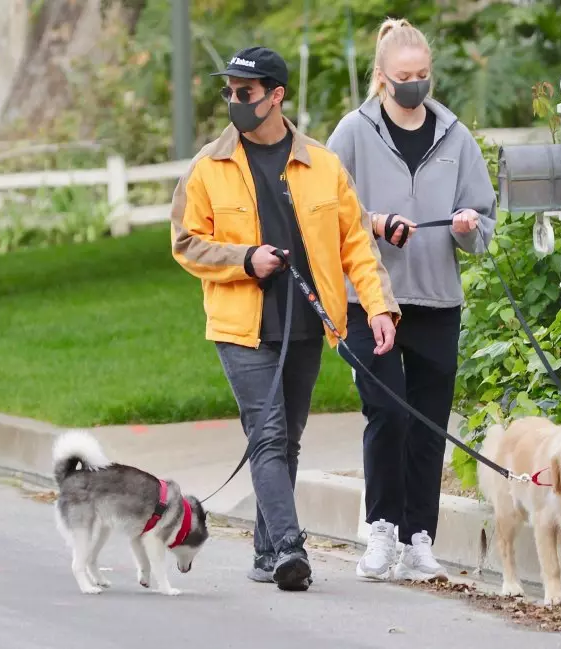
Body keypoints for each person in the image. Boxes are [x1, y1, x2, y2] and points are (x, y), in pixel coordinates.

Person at [170, 46, 400, 592]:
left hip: (305, 323)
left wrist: (379, 305)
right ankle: (291, 548)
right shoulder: (209, 167)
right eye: (228, 91)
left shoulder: (322, 165)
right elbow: (185, 243)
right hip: (241, 327)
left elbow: (355, 245)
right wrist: (244, 259)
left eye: (244, 93)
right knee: (268, 435)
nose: (234, 101)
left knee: (288, 439)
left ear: (276, 96)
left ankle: (265, 551)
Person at [326, 18, 497, 582]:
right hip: (370, 299)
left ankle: (419, 538)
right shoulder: (352, 132)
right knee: (388, 414)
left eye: (423, 75)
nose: (415, 84)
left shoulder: (455, 136)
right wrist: (375, 223)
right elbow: (324, 212)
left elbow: (482, 225)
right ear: (381, 78)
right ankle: (379, 530)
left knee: (428, 423)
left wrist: (469, 225)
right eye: (404, 76)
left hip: (437, 299)